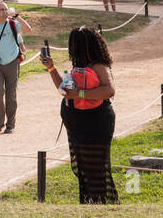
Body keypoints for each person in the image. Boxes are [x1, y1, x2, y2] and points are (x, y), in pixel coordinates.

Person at [41, 26, 117, 204]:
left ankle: (102, 204)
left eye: (75, 45)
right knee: (82, 167)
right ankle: (88, 202)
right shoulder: (77, 67)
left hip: (96, 122)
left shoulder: (99, 66)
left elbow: (109, 90)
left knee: (97, 167)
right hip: (77, 122)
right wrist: (51, 68)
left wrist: (80, 94)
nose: (72, 49)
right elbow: (64, 90)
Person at [0, 0, 24, 134]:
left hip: (12, 62)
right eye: (1, 9)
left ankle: (10, 124)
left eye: (6, 9)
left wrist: (17, 16)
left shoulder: (14, 24)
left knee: (11, 95)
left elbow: (29, 30)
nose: (4, 11)